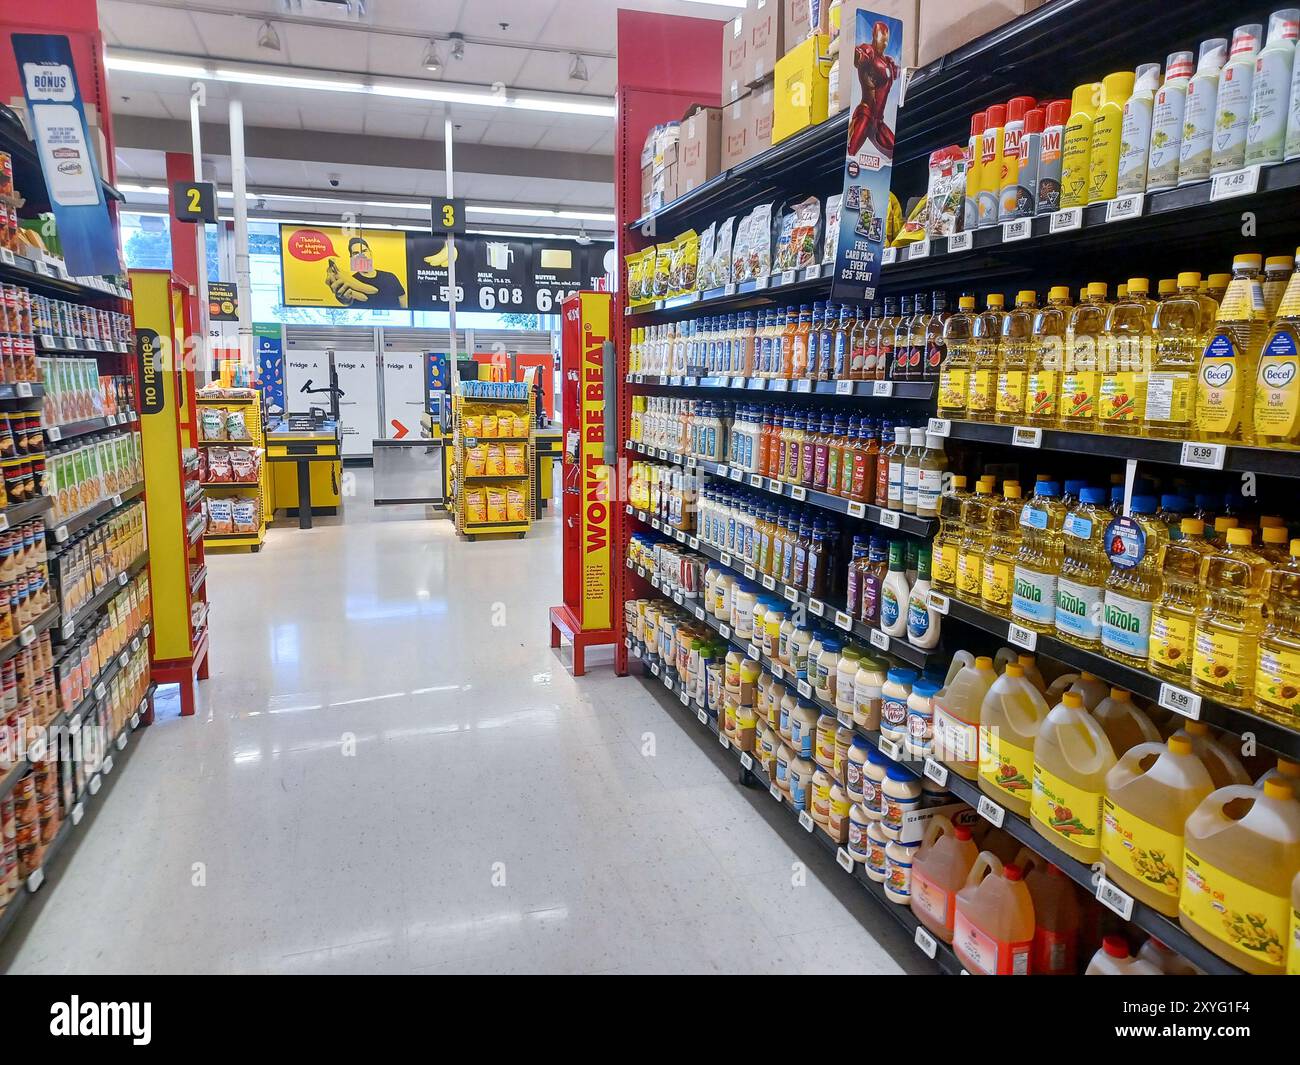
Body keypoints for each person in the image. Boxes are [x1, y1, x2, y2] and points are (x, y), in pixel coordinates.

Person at [847, 20, 899, 158]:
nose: (885, 44)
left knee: (895, 153)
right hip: (865, 113)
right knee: (851, 155)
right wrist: (860, 55)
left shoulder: (888, 62)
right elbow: (857, 57)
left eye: (886, 41)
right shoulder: (868, 51)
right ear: (875, 36)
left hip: (878, 121)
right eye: (882, 39)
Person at [326, 236, 407, 308]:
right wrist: (343, 299)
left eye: (364, 251)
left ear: (370, 253)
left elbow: (403, 300)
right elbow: (347, 302)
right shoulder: (348, 282)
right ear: (351, 258)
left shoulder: (390, 277)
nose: (361, 256)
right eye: (356, 253)